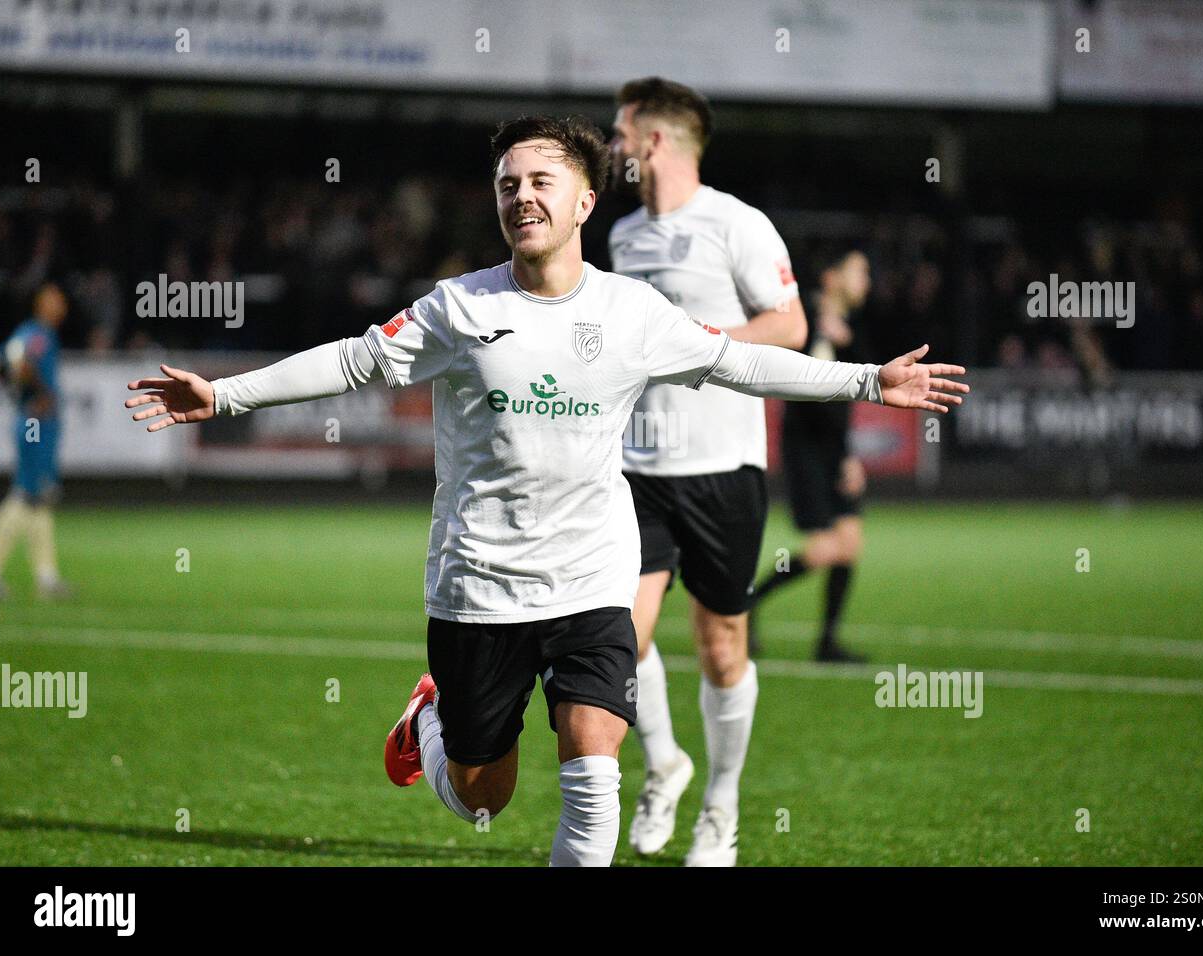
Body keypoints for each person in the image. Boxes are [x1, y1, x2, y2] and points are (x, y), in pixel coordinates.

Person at [124, 115, 967, 867]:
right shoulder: (457, 308)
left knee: (595, 782)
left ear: (585, 202)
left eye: (540, 181)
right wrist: (225, 394)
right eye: (507, 185)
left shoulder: (634, 312)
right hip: (478, 587)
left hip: (592, 577)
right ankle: (432, 720)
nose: (521, 196)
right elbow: (351, 359)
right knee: (485, 797)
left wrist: (866, 379)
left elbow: (738, 361)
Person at [607, 77, 809, 864]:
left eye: (622, 134)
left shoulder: (736, 224)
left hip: (723, 467)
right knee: (616, 635)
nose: (614, 147)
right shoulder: (622, 236)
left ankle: (720, 804)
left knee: (723, 646)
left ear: (655, 140)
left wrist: (702, 338)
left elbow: (790, 325)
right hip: (634, 470)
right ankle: (664, 763)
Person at [751, 251, 875, 663]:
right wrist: (843, 455)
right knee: (826, 548)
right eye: (858, 271)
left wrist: (848, 454)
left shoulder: (844, 328)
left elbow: (839, 402)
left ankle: (827, 642)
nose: (865, 281)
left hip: (835, 450)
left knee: (850, 544)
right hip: (809, 451)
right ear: (831, 276)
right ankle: (747, 603)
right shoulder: (809, 324)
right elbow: (815, 399)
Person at [0, 283, 74, 600]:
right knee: (27, 493)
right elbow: (19, 363)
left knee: (40, 496)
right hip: (35, 423)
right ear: (41, 304)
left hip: (33, 419)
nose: (60, 306)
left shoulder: (33, 333)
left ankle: (46, 578)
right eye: (55, 300)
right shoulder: (37, 334)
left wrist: (18, 391)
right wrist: (38, 393)